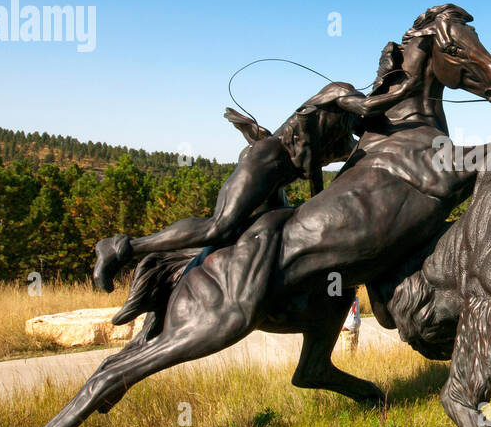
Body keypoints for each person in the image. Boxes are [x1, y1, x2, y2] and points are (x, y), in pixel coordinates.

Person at [91, 81, 361, 293]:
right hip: (264, 162)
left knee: (272, 237)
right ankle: (121, 247)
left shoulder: (346, 141)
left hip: (278, 181)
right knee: (219, 228)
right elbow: (306, 158)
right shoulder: (327, 105)